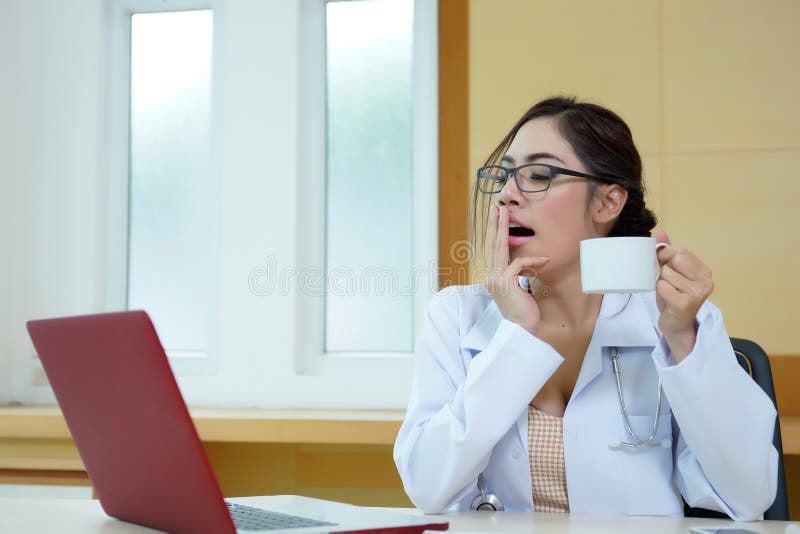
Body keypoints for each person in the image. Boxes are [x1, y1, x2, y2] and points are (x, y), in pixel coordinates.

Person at [393, 96, 778, 520]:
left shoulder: (674, 320)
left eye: (538, 175)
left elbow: (748, 495)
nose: (506, 196)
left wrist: (683, 340)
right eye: (503, 177)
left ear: (607, 203)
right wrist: (514, 336)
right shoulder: (454, 316)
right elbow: (427, 489)